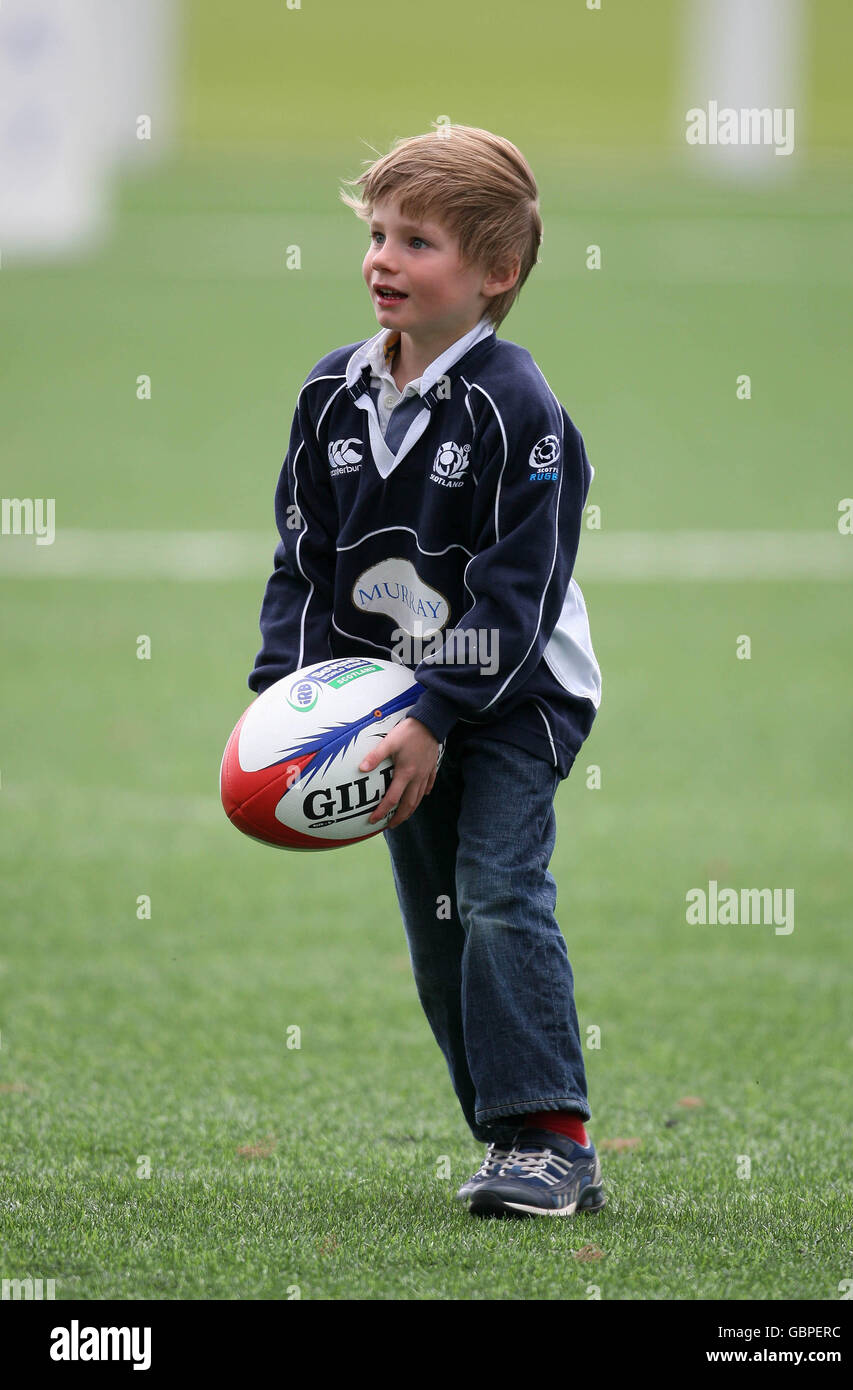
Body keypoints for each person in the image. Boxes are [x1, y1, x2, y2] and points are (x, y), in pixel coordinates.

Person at [248, 125, 604, 1218]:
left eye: (418, 241)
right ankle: (506, 1138)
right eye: (375, 234)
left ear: (495, 275)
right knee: (441, 916)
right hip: (390, 706)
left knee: (499, 891)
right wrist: (288, 698)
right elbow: (303, 561)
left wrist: (440, 712)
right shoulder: (330, 396)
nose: (383, 260)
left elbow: (518, 592)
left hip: (514, 697)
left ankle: (553, 1139)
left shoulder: (518, 408)